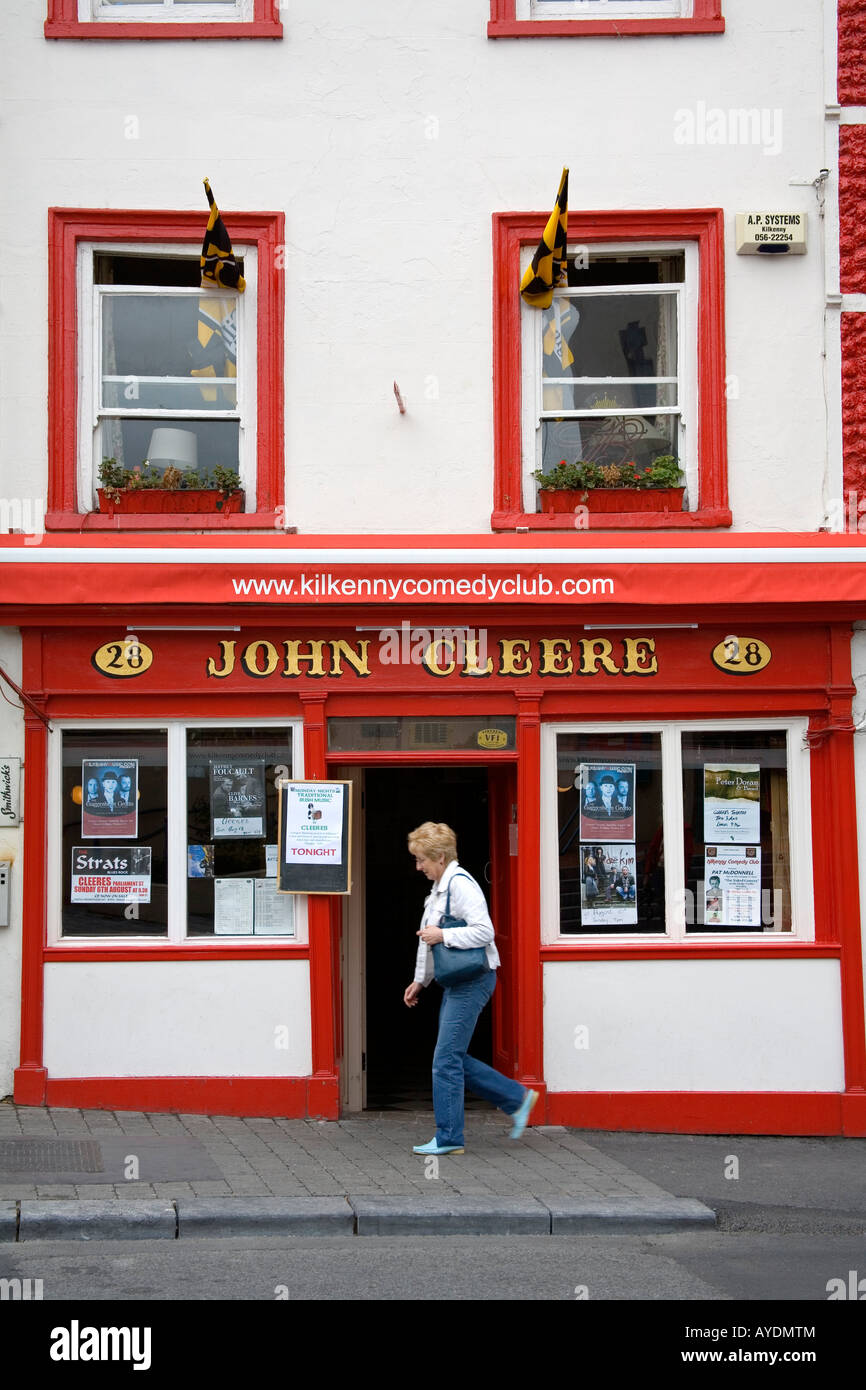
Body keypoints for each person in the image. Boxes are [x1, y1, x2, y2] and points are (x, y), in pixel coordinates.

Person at [403, 821, 538, 1156]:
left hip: (474, 981)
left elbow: (484, 932)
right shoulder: (439, 889)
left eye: (422, 859)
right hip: (459, 981)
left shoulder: (461, 886)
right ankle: (517, 1099)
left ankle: (449, 1137)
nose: (418, 866)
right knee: (451, 1057)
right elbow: (428, 943)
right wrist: (421, 980)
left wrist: (444, 935)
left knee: (445, 1059)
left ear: (441, 856)